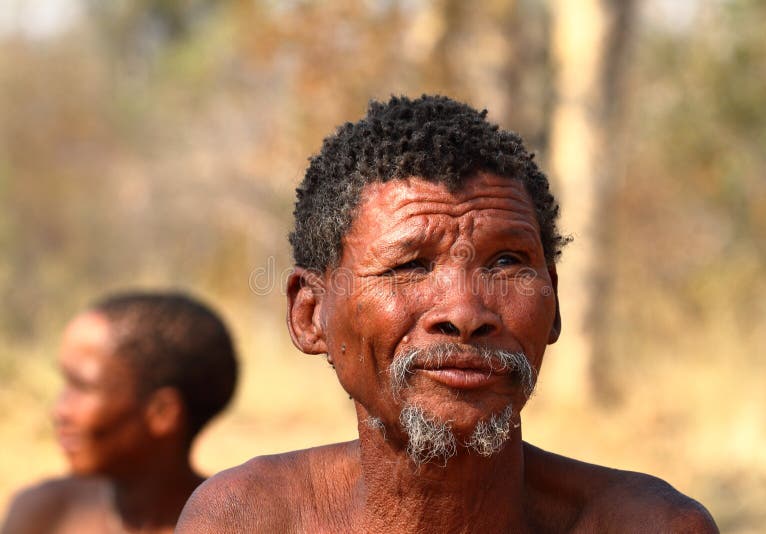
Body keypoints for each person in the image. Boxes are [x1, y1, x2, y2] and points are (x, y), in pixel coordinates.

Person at [177, 95, 718, 533]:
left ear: (553, 303)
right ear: (310, 314)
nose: (464, 312)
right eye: (409, 266)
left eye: (507, 262)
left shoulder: (646, 526)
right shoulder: (247, 520)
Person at [2, 292, 238, 534]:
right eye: (66, 383)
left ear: (162, 412)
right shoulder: (42, 513)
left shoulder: (233, 524)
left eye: (82, 387)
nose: (59, 411)